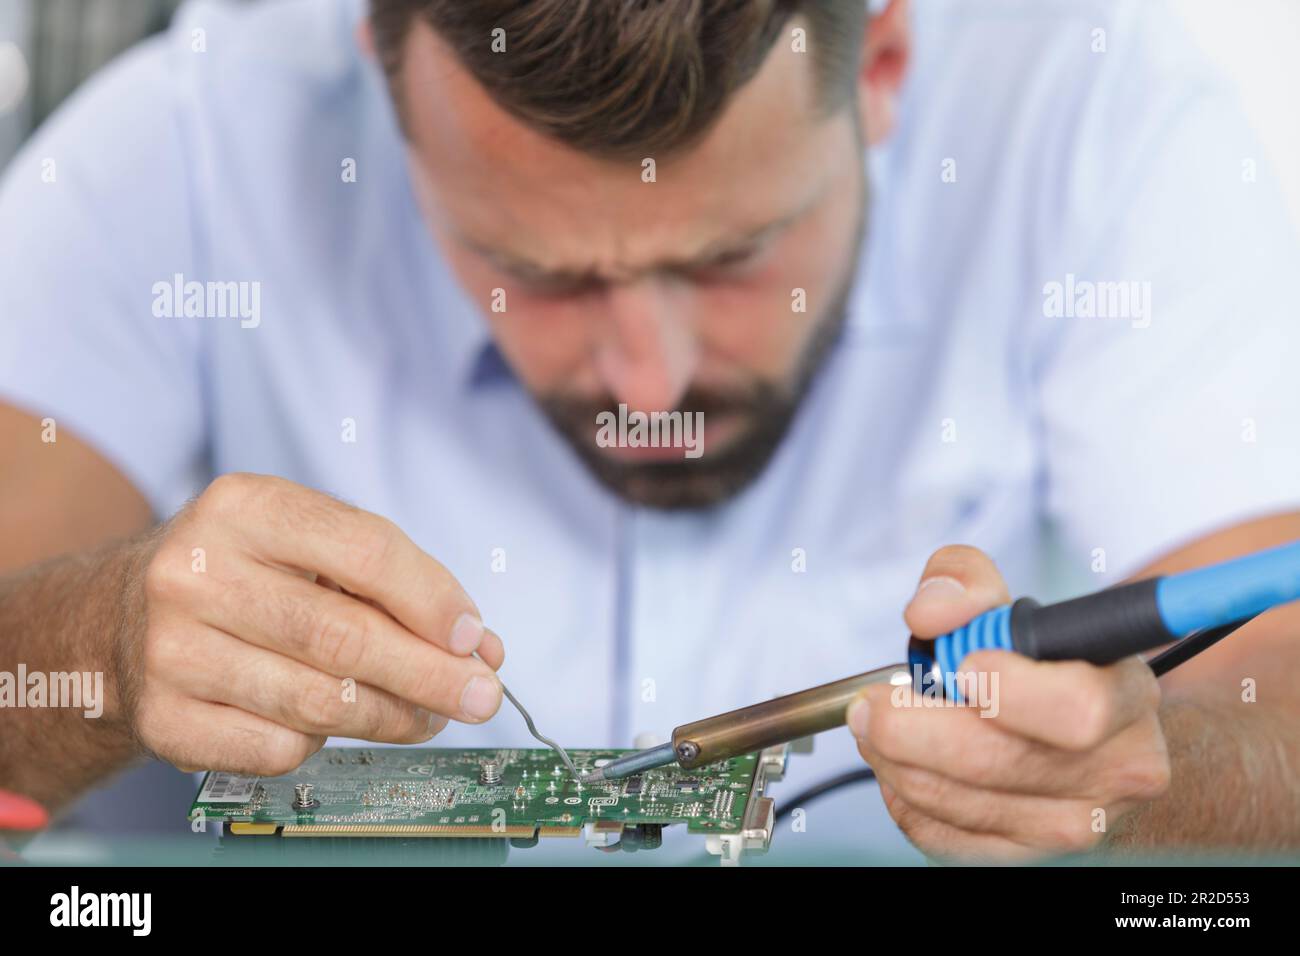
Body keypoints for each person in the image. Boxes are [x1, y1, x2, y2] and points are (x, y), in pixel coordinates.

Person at [0, 0, 1297, 863]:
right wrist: (103, 641)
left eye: (734, 256)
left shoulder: (1088, 112)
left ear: (886, 66)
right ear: (382, 88)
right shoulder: (195, 138)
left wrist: (1160, 766)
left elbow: (1282, 689)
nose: (648, 379)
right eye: (539, 272)